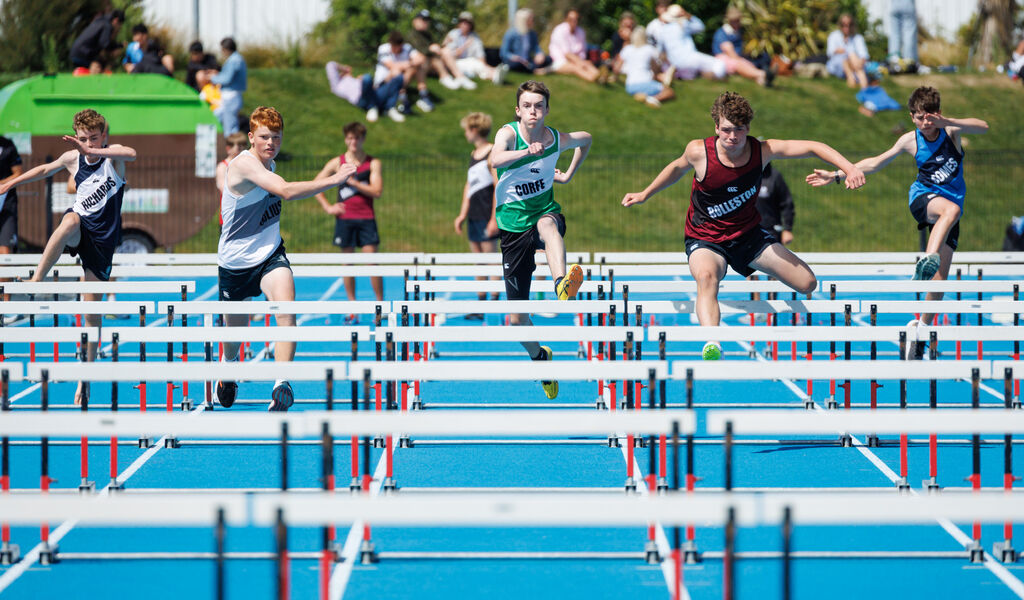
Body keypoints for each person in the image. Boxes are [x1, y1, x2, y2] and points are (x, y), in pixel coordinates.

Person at [621, 92, 865, 360]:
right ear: (716, 127)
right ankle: (712, 340)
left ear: (748, 129)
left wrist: (849, 168)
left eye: (738, 130)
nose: (732, 137)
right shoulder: (699, 151)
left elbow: (813, 146)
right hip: (706, 238)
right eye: (726, 130)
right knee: (706, 277)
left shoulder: (763, 151)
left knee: (807, 283)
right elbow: (676, 169)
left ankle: (752, 301)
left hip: (748, 236)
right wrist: (645, 193)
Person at [806, 86, 988, 357]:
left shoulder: (951, 132)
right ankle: (928, 258)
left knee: (941, 282)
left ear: (937, 114)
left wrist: (948, 121)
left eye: (929, 118)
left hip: (950, 208)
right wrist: (837, 175)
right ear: (912, 117)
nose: (924, 124)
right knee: (950, 211)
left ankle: (920, 330)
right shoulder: (910, 140)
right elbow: (876, 162)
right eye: (918, 118)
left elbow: (982, 126)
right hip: (923, 199)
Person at [215, 107, 357, 411]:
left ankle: (282, 382)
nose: (270, 143)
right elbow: (287, 192)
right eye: (264, 137)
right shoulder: (244, 165)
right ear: (251, 137)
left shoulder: (271, 164)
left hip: (269, 256)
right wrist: (334, 180)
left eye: (276, 137)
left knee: (286, 312)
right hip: (235, 264)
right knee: (234, 338)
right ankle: (228, 370)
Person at [0, 109, 137, 401]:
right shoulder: (72, 159)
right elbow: (42, 171)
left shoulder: (113, 160)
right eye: (82, 139)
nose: (86, 144)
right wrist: (11, 183)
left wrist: (94, 149)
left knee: (92, 316)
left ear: (103, 137)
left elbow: (132, 152)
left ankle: (84, 377)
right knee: (70, 220)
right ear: (75, 137)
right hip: (81, 229)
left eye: (93, 138)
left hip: (101, 245)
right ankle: (37, 279)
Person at [491, 81, 591, 398]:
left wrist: (570, 173)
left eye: (539, 106)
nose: (533, 111)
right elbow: (495, 159)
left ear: (547, 110)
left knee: (549, 225)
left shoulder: (555, 138)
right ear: (518, 110)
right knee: (517, 319)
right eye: (528, 106)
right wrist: (525, 151)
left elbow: (586, 139)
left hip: (544, 210)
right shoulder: (509, 134)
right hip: (512, 224)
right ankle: (540, 357)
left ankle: (561, 282)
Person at [313, 122, 384, 313]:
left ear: (363, 139)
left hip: (366, 217)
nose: (353, 142)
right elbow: (315, 184)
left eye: (357, 138)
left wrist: (352, 182)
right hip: (345, 218)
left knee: (372, 263)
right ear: (346, 139)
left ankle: (380, 304)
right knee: (348, 264)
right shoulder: (338, 162)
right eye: (350, 138)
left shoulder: (373, 163)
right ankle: (352, 305)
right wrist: (328, 207)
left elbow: (377, 191)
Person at [454, 112, 500, 310]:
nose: (465, 134)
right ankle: (481, 301)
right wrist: (462, 214)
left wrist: (494, 219)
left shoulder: (492, 153)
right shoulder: (474, 154)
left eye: (466, 130)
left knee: (491, 259)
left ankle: (495, 300)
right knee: (478, 259)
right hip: (473, 213)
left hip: (487, 213)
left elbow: (498, 185)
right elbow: (468, 186)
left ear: (474, 130)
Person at [406, 9, 473, 90]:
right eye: (423, 20)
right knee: (433, 57)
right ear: (415, 21)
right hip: (421, 65)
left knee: (446, 50)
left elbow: (435, 47)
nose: (426, 22)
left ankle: (459, 76)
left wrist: (443, 45)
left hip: (430, 61)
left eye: (427, 20)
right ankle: (444, 77)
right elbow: (422, 51)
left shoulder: (427, 34)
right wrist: (431, 49)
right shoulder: (412, 35)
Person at [659, 4, 726, 80]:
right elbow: (701, 27)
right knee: (719, 63)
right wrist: (688, 15)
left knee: (690, 73)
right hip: (690, 58)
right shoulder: (683, 25)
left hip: (675, 63)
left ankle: (685, 74)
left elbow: (660, 52)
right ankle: (715, 76)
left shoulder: (662, 31)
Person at [326, 61, 406, 123]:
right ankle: (372, 108)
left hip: (374, 94)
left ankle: (389, 108)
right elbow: (330, 65)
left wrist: (361, 81)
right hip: (361, 99)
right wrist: (344, 69)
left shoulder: (356, 80)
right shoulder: (337, 85)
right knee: (367, 78)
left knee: (399, 78)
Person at [375, 31, 433, 115]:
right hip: (383, 83)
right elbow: (392, 66)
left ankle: (423, 94)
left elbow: (421, 58)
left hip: (402, 78)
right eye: (394, 47)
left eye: (399, 47)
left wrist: (410, 64)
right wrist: (410, 63)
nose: (397, 49)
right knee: (396, 71)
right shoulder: (383, 49)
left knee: (418, 67)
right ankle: (402, 99)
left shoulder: (406, 48)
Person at [443, 12, 509, 86]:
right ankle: (495, 73)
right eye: (463, 22)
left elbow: (480, 55)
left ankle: (494, 75)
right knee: (473, 63)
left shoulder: (475, 37)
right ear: (459, 23)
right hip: (454, 63)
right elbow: (449, 55)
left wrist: (485, 65)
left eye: (468, 23)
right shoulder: (452, 34)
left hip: (470, 63)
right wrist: (465, 46)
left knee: (477, 66)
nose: (465, 25)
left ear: (471, 25)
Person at [712, 6, 773, 87]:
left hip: (736, 57)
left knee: (755, 60)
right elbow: (730, 52)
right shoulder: (722, 33)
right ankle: (763, 74)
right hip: (724, 58)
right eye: (736, 20)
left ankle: (762, 80)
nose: (738, 22)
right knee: (739, 63)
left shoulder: (738, 32)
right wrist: (741, 60)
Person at [615, 27, 674, 107]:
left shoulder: (627, 49)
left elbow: (617, 68)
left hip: (630, 86)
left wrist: (616, 77)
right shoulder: (650, 49)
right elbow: (655, 69)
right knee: (669, 91)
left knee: (644, 89)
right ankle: (653, 99)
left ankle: (641, 95)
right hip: (645, 82)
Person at [0, 135, 23, 303]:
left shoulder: (7, 145)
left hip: (6, 206)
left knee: (5, 253)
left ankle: (6, 303)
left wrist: (2, 185)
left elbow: (18, 173)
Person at [548, 9, 600, 83]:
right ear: (566, 19)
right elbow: (567, 54)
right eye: (571, 19)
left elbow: (582, 51)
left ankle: (600, 75)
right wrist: (580, 62)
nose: (573, 21)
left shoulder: (581, 32)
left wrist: (581, 61)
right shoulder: (559, 30)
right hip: (559, 61)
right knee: (576, 67)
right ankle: (594, 78)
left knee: (587, 64)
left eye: (576, 19)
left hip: (576, 60)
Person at [210, 38, 247, 135]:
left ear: (226, 49)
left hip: (230, 96)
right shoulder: (238, 58)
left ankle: (232, 149)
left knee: (230, 128)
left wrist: (213, 78)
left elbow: (227, 78)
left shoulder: (233, 60)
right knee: (228, 124)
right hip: (233, 96)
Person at [500, 8, 551, 75]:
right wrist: (514, 57)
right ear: (524, 20)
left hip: (527, 61)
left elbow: (536, 47)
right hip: (516, 62)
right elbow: (504, 53)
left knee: (548, 59)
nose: (533, 21)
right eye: (531, 19)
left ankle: (531, 69)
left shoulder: (532, 34)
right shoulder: (511, 33)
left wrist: (539, 54)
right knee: (516, 64)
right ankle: (534, 70)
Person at [827, 14, 869, 89]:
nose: (847, 28)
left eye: (849, 25)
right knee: (848, 57)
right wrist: (840, 51)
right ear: (840, 25)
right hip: (839, 66)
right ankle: (863, 86)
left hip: (855, 65)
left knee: (852, 56)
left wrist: (857, 61)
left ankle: (852, 79)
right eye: (844, 25)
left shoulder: (858, 38)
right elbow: (830, 52)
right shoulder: (834, 35)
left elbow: (864, 55)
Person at [756, 163, 794, 245]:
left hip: (770, 231)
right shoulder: (745, 175)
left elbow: (787, 204)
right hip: (747, 231)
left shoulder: (774, 176)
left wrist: (787, 229)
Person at [215, 132, 248, 227]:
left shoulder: (247, 165)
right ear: (228, 149)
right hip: (229, 217)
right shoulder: (222, 167)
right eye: (239, 148)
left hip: (246, 216)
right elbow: (225, 190)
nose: (242, 151)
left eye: (244, 147)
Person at [888, 0, 918, 67]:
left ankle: (894, 58)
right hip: (907, 4)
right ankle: (908, 59)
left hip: (894, 5)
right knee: (909, 32)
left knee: (894, 33)